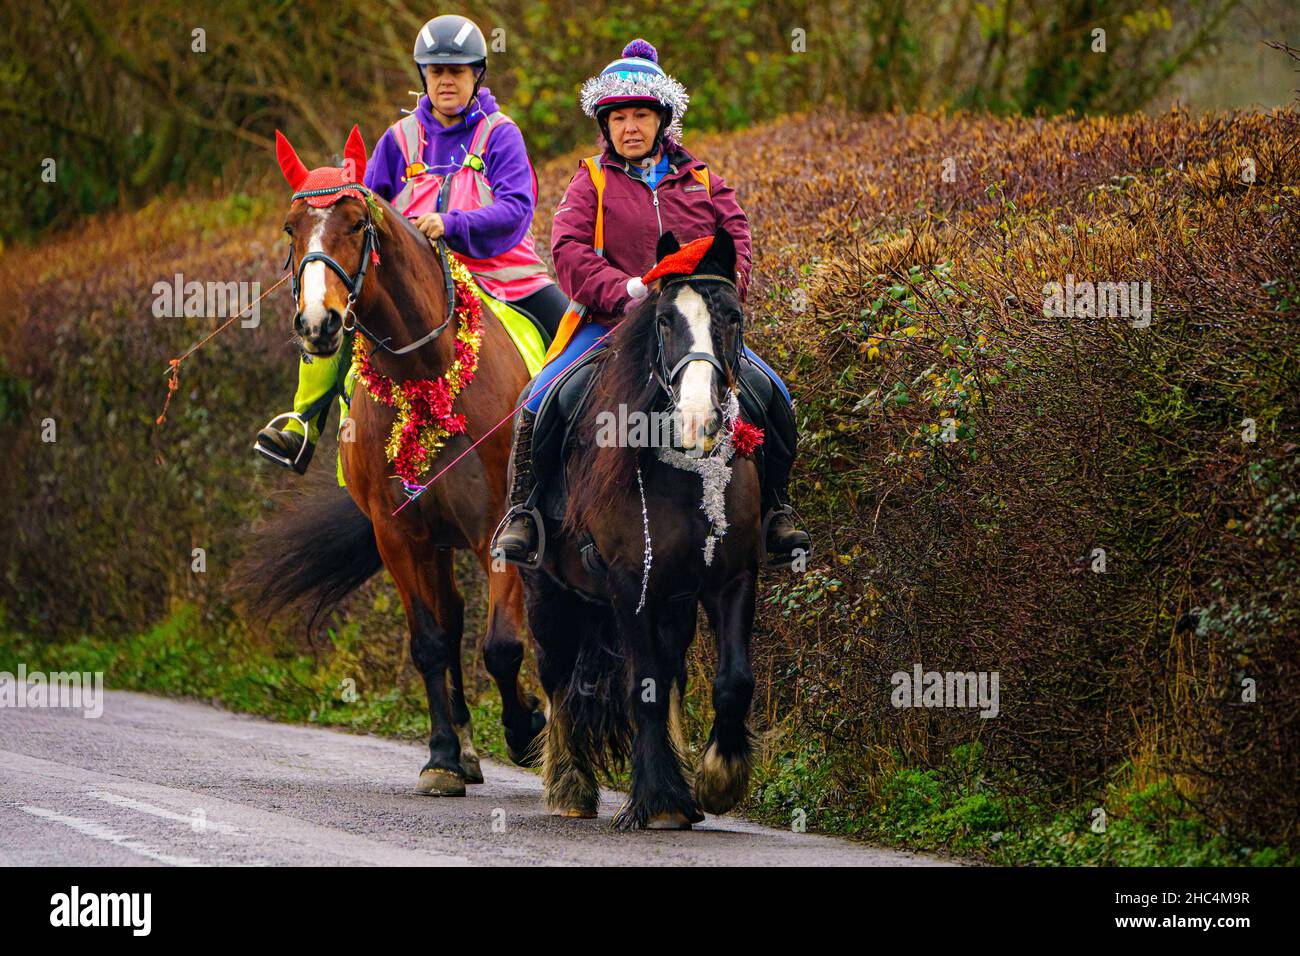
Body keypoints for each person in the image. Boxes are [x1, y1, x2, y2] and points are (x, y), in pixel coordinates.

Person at [491, 38, 810, 566]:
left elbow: (738, 239)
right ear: (606, 126)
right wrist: (626, 290)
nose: (630, 127)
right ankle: (525, 512)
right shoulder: (589, 181)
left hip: (697, 327)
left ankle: (776, 511)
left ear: (661, 120)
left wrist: (723, 295)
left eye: (641, 115)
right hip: (612, 323)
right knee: (538, 397)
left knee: (771, 392)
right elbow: (566, 250)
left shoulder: (704, 180)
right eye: (618, 118)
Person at [255, 14, 567, 474]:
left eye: (457, 71)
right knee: (335, 313)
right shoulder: (398, 141)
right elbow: (363, 211)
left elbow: (517, 212)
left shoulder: (501, 134)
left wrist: (452, 223)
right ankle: (303, 423)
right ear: (424, 75)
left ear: (476, 74)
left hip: (503, 278)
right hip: (415, 282)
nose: (446, 81)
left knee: (576, 340)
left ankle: (574, 459)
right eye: (437, 71)